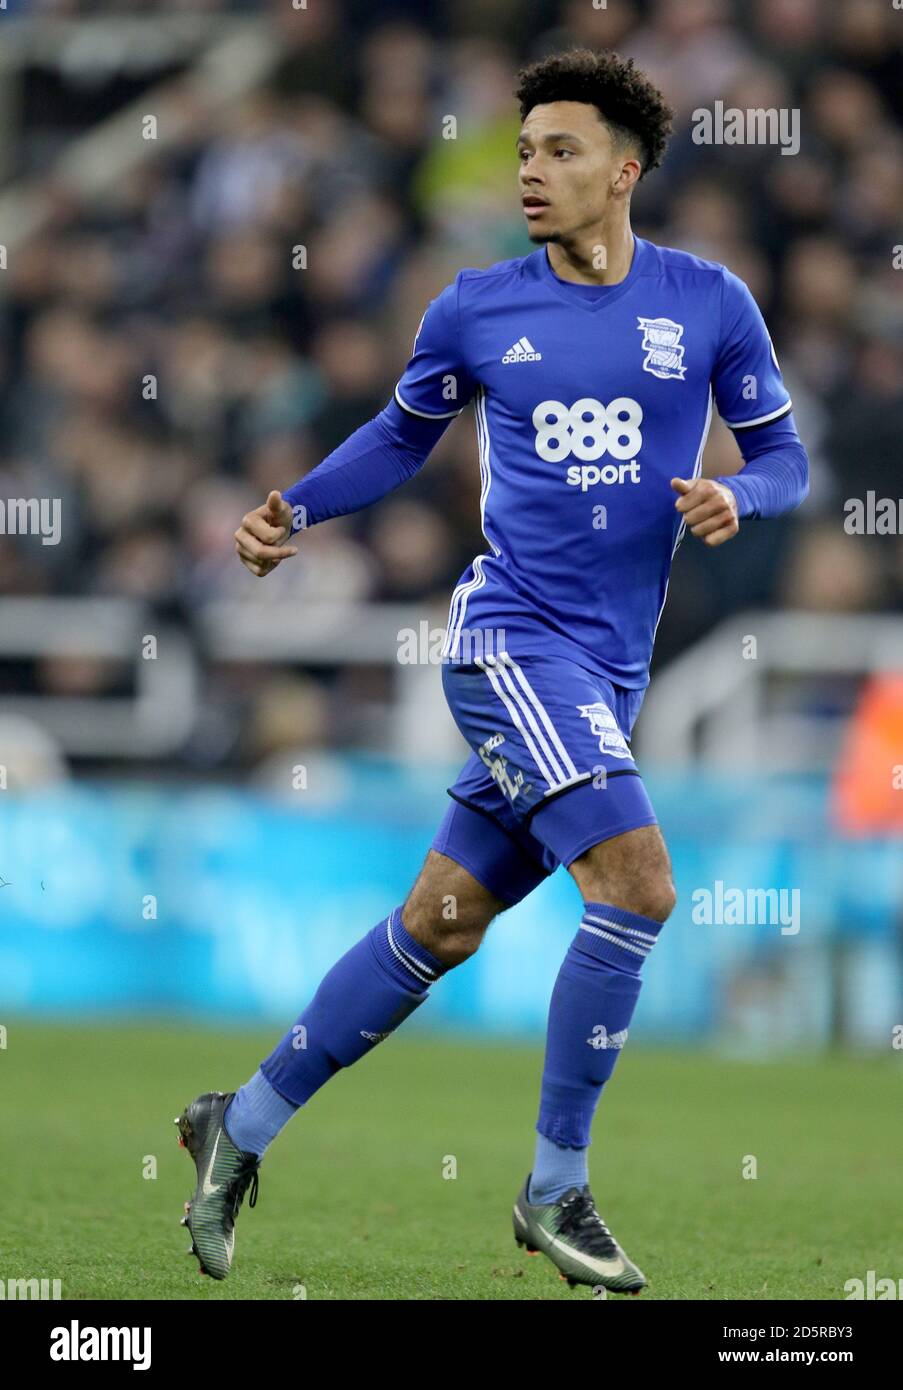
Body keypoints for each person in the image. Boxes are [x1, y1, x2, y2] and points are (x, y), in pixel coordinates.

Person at [176, 47, 809, 1292]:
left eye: (561, 151)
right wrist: (295, 510)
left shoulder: (712, 301)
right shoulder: (475, 305)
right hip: (511, 643)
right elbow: (400, 435)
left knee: (440, 923)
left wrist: (738, 493)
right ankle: (556, 1187)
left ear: (625, 171)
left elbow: (787, 457)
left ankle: (234, 1126)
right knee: (638, 886)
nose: (532, 171)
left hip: (605, 675)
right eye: (525, 151)